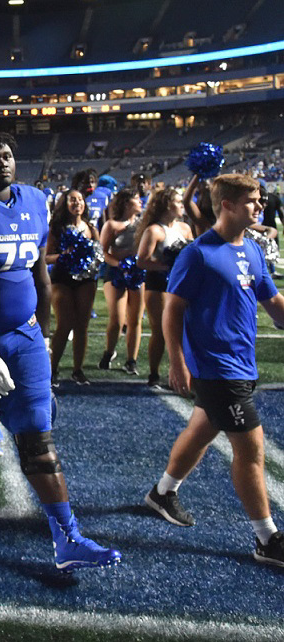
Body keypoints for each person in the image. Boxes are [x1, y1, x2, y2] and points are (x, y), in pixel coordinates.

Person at [0, 130, 121, 570]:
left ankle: (67, 537)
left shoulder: (35, 200)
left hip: (26, 336)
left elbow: (40, 277)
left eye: (7, 155)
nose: (2, 161)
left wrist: (46, 338)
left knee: (38, 436)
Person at [144, 173, 284, 567]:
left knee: (201, 430)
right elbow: (172, 309)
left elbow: (272, 301)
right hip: (216, 366)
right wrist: (177, 361)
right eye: (253, 201)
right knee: (250, 449)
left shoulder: (251, 248)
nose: (260, 206)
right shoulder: (198, 253)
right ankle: (266, 538)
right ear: (227, 205)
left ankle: (162, 493)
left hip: (243, 362)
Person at [134, 187, 193, 389]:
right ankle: (154, 374)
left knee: (183, 331)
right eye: (178, 202)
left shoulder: (185, 228)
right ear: (167, 205)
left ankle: (180, 374)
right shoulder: (154, 230)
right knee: (160, 331)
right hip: (158, 286)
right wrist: (169, 266)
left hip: (181, 286)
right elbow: (142, 261)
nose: (182, 205)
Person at [45, 189, 99, 385]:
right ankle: (51, 369)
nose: (77, 203)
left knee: (82, 326)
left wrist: (90, 259)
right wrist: (64, 256)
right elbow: (46, 257)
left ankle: (78, 370)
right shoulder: (57, 228)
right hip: (62, 278)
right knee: (64, 324)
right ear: (64, 204)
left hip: (86, 279)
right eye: (72, 200)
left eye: (80, 200)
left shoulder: (91, 228)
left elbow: (98, 254)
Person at [97, 188, 144, 374]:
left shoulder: (143, 224)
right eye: (136, 199)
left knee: (135, 320)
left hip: (138, 274)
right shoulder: (112, 225)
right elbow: (102, 251)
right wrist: (120, 265)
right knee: (117, 319)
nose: (140, 202)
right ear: (126, 203)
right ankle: (108, 353)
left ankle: (131, 360)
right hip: (116, 273)